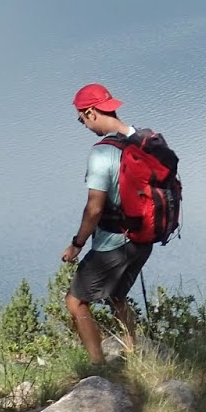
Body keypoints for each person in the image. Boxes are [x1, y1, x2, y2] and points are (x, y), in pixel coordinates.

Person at [62, 82, 152, 363]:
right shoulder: (142, 138)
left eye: (81, 119)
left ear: (91, 112)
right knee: (117, 296)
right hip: (145, 237)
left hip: (115, 242)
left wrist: (77, 244)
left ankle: (97, 366)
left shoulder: (102, 153)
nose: (84, 125)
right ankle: (132, 353)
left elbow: (94, 208)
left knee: (75, 301)